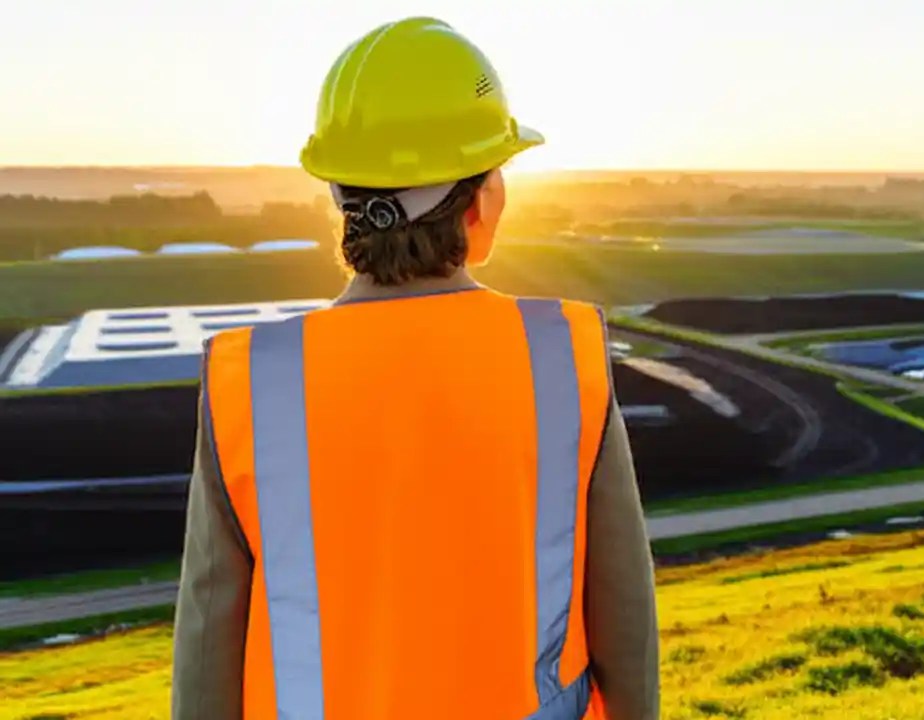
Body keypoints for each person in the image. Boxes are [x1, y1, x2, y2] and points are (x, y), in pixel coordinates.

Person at [171, 17, 659, 720]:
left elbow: (207, 643)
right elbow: (624, 617)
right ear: (483, 203)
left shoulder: (253, 382)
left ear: (339, 203)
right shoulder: (560, 355)